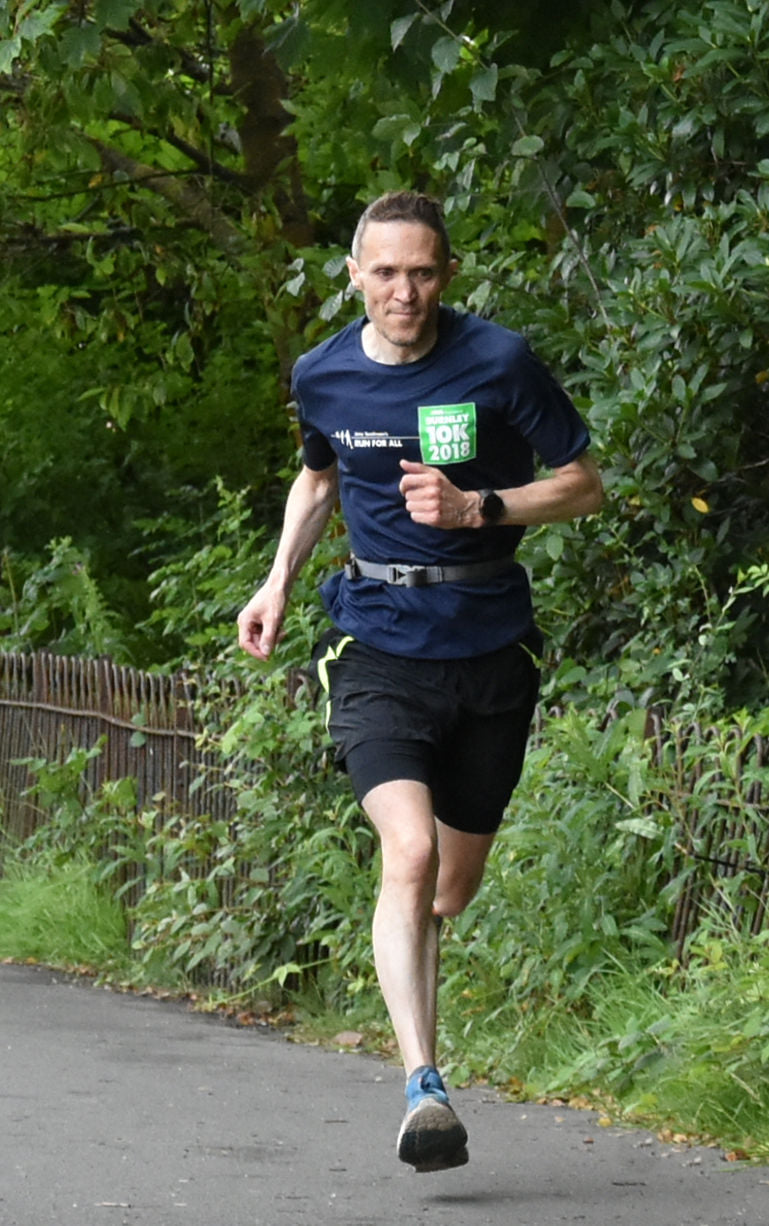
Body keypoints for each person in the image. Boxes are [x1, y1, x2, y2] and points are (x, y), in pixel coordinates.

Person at [237, 190, 603, 1173]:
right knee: (406, 850)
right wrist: (274, 582)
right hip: (377, 643)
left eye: (424, 271)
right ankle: (423, 1082)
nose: (405, 290)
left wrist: (482, 505)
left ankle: (425, 983)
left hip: (488, 645)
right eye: (386, 271)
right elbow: (318, 476)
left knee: (450, 880)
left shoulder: (498, 361)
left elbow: (582, 481)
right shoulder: (323, 374)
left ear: (448, 273)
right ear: (353, 274)